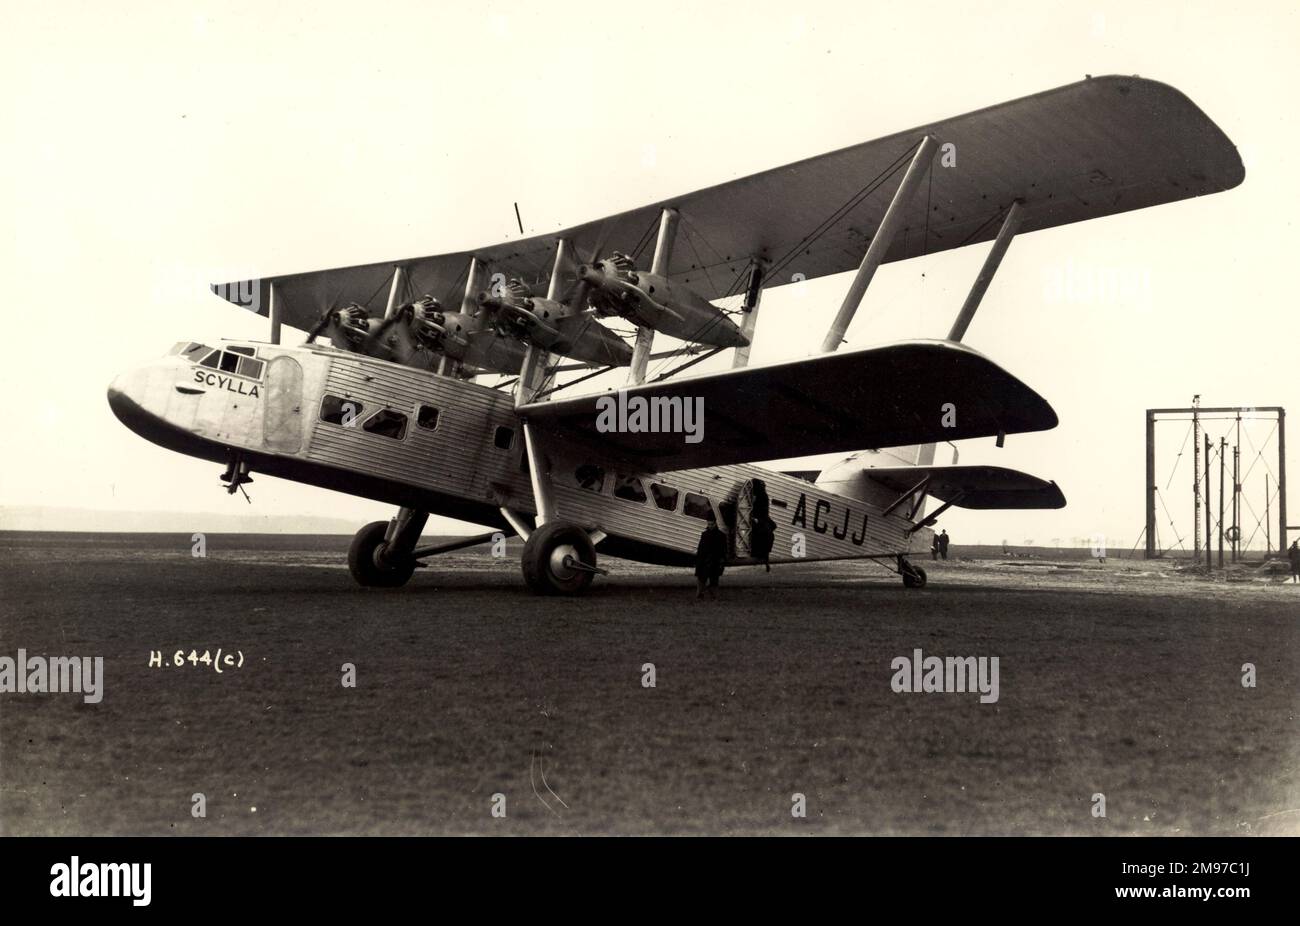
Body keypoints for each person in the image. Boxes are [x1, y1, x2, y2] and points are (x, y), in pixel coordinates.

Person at [695, 514, 728, 599]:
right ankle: (701, 594)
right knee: (702, 579)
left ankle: (711, 595)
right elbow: (700, 549)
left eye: (711, 524)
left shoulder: (720, 536)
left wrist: (722, 561)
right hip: (706, 560)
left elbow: (723, 550)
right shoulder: (706, 535)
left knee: (713, 580)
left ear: (715, 523)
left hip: (714, 561)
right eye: (709, 524)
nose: (710, 526)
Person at [749, 479, 776, 572]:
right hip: (762, 519)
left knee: (763, 533)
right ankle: (764, 558)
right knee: (767, 534)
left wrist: (757, 519)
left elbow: (762, 510)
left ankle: (760, 555)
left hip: (760, 519)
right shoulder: (763, 495)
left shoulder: (761, 496)